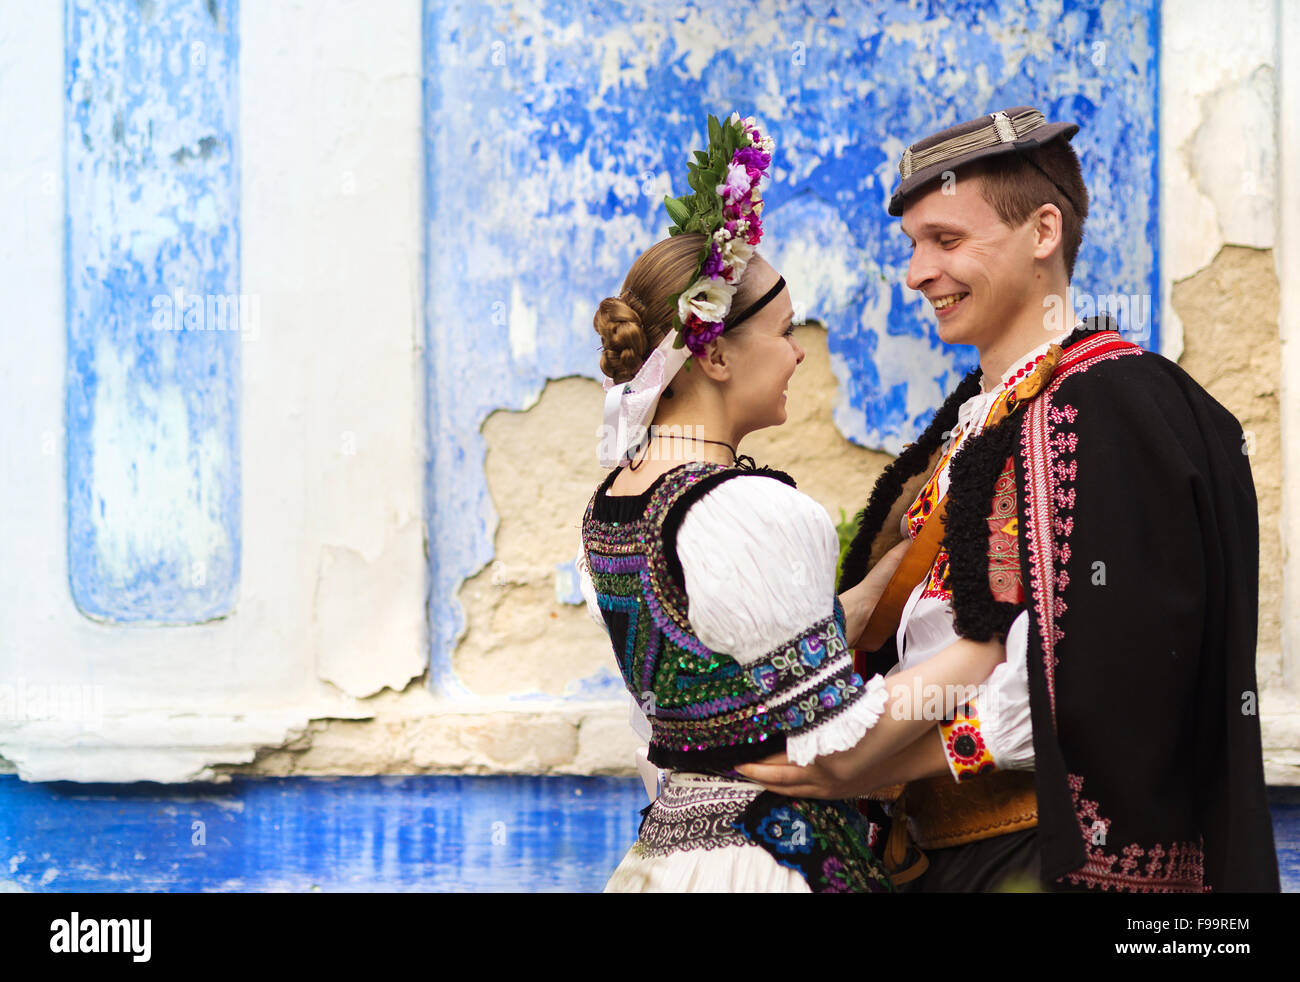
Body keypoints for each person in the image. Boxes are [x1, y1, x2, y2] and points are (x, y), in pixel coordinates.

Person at [738, 106, 1281, 892]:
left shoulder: (1109, 404)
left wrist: (865, 766)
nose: (918, 272)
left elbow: (1071, 682)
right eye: (914, 246)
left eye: (948, 241)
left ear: (1043, 231)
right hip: (946, 853)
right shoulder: (986, 416)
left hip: (1035, 855)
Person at [576, 113, 1006, 893]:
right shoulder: (749, 510)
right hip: (767, 861)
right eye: (782, 330)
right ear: (710, 354)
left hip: (671, 857)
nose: (798, 350)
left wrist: (891, 579)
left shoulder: (617, 503)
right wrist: (998, 642)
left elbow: (744, 662)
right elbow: (837, 744)